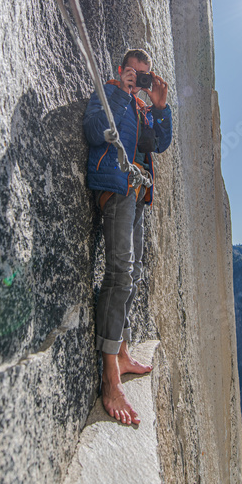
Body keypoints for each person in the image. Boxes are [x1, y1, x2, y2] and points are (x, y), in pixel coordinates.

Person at [83, 48, 172, 425]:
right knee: (119, 274)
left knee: (132, 276)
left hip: (136, 193)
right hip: (116, 188)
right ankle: (110, 375)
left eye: (144, 77)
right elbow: (93, 131)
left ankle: (121, 351)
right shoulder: (109, 94)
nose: (139, 80)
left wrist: (161, 106)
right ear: (121, 71)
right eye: (134, 73)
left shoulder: (143, 109)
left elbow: (159, 143)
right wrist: (121, 91)